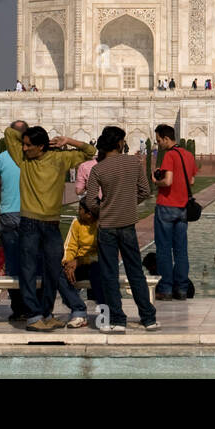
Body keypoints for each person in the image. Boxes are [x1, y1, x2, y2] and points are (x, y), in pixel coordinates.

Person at [0, 125, 95, 330]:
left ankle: (46, 313)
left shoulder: (59, 159)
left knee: (52, 271)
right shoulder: (23, 161)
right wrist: (27, 132)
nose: (23, 148)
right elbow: (8, 133)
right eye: (23, 144)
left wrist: (67, 140)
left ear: (41, 146)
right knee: (29, 271)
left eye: (29, 145)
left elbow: (90, 152)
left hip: (51, 225)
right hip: (29, 223)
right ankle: (33, 316)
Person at [86, 126, 157, 332]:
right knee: (135, 272)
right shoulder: (133, 162)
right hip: (127, 224)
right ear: (119, 143)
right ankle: (148, 318)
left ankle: (117, 320)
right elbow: (145, 190)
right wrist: (127, 204)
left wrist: (105, 209)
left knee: (108, 274)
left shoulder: (98, 169)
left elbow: (90, 201)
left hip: (107, 226)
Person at [153, 123, 197, 302]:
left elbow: (168, 181)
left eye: (158, 141)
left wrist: (156, 181)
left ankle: (166, 289)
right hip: (183, 208)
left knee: (164, 250)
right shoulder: (188, 155)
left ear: (166, 138)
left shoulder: (169, 155)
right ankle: (182, 289)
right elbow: (191, 181)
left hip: (166, 206)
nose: (158, 145)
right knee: (181, 251)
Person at [0, 122, 26, 319]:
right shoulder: (33, 157)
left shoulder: (1, 158)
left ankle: (18, 307)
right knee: (32, 261)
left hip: (8, 215)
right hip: (30, 214)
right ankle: (33, 306)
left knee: (12, 262)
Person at [59, 200, 103, 327]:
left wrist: (79, 261)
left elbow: (102, 254)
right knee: (59, 275)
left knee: (98, 272)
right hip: (79, 264)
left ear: (89, 213)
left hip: (96, 264)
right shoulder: (76, 222)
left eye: (80, 210)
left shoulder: (101, 224)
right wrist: (67, 264)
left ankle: (105, 311)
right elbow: (70, 246)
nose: (78, 212)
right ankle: (79, 311)